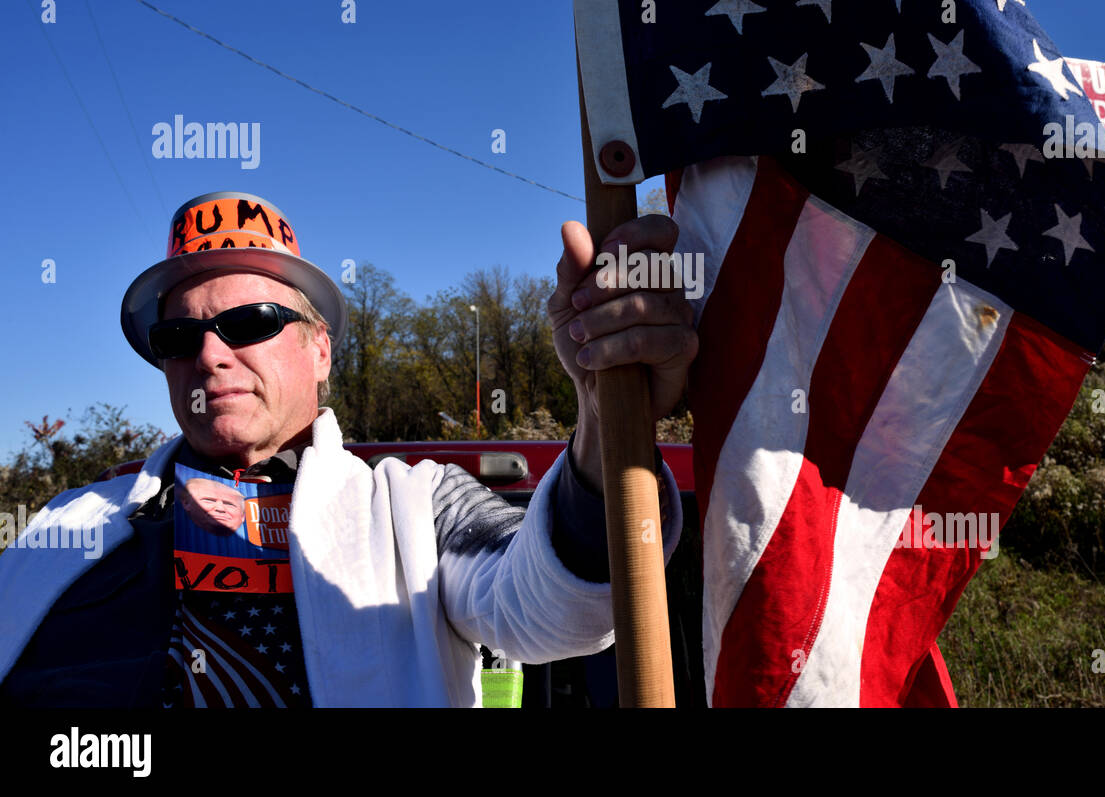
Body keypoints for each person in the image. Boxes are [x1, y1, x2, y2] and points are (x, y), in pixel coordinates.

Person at [0, 191, 698, 706]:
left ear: (320, 349)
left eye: (249, 322)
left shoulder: (411, 507)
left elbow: (550, 607)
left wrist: (606, 422)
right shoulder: (71, 520)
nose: (210, 354)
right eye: (179, 337)